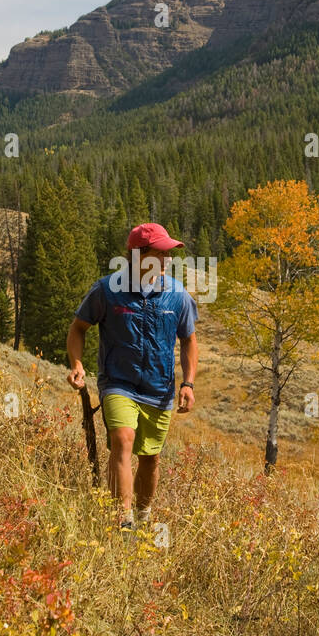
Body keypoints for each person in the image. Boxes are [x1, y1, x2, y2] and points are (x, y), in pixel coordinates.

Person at [67, 223, 198, 530]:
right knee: (123, 439)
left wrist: (188, 383)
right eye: (160, 253)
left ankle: (143, 515)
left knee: (150, 458)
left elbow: (190, 339)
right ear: (138, 256)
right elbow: (78, 328)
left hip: (159, 387)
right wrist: (77, 364)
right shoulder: (107, 290)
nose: (167, 260)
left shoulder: (178, 296)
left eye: (168, 255)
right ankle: (123, 520)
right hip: (118, 382)